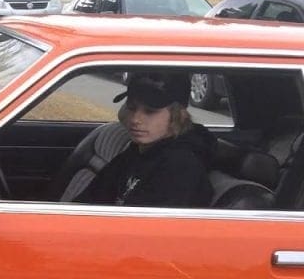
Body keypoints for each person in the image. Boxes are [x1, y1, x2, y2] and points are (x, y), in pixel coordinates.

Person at [76, 72, 213, 207]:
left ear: (177, 115)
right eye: (132, 108)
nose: (135, 119)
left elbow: (146, 227)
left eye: (150, 111)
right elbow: (90, 199)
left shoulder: (181, 168)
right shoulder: (136, 152)